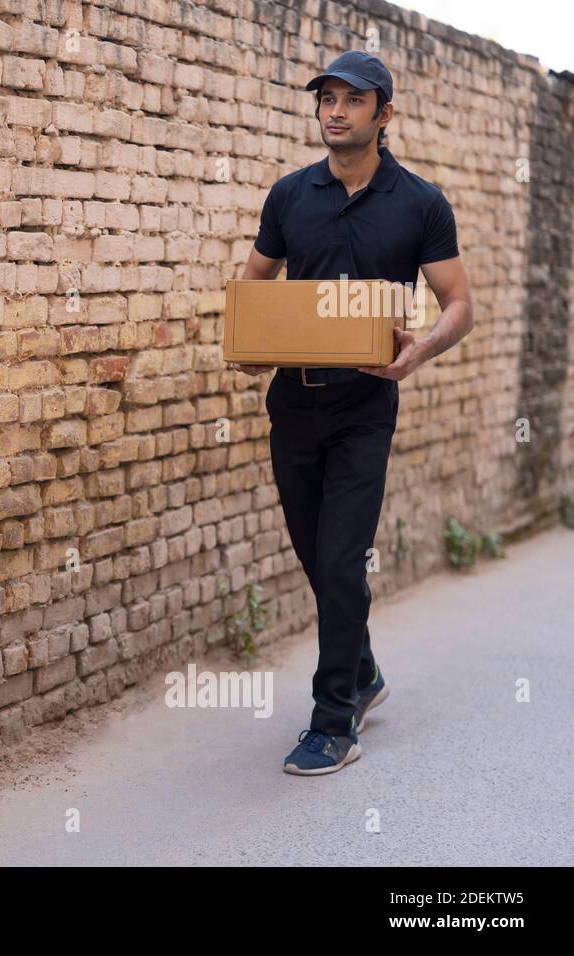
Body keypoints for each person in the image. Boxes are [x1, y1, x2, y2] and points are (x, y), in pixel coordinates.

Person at [231, 51, 474, 775]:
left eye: (352, 100)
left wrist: (419, 350)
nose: (334, 110)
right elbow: (254, 289)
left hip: (367, 402)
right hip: (293, 404)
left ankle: (333, 717)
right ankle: (363, 669)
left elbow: (458, 304)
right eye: (326, 98)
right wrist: (250, 347)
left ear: (384, 114)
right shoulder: (289, 196)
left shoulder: (420, 203)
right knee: (317, 555)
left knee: (341, 558)